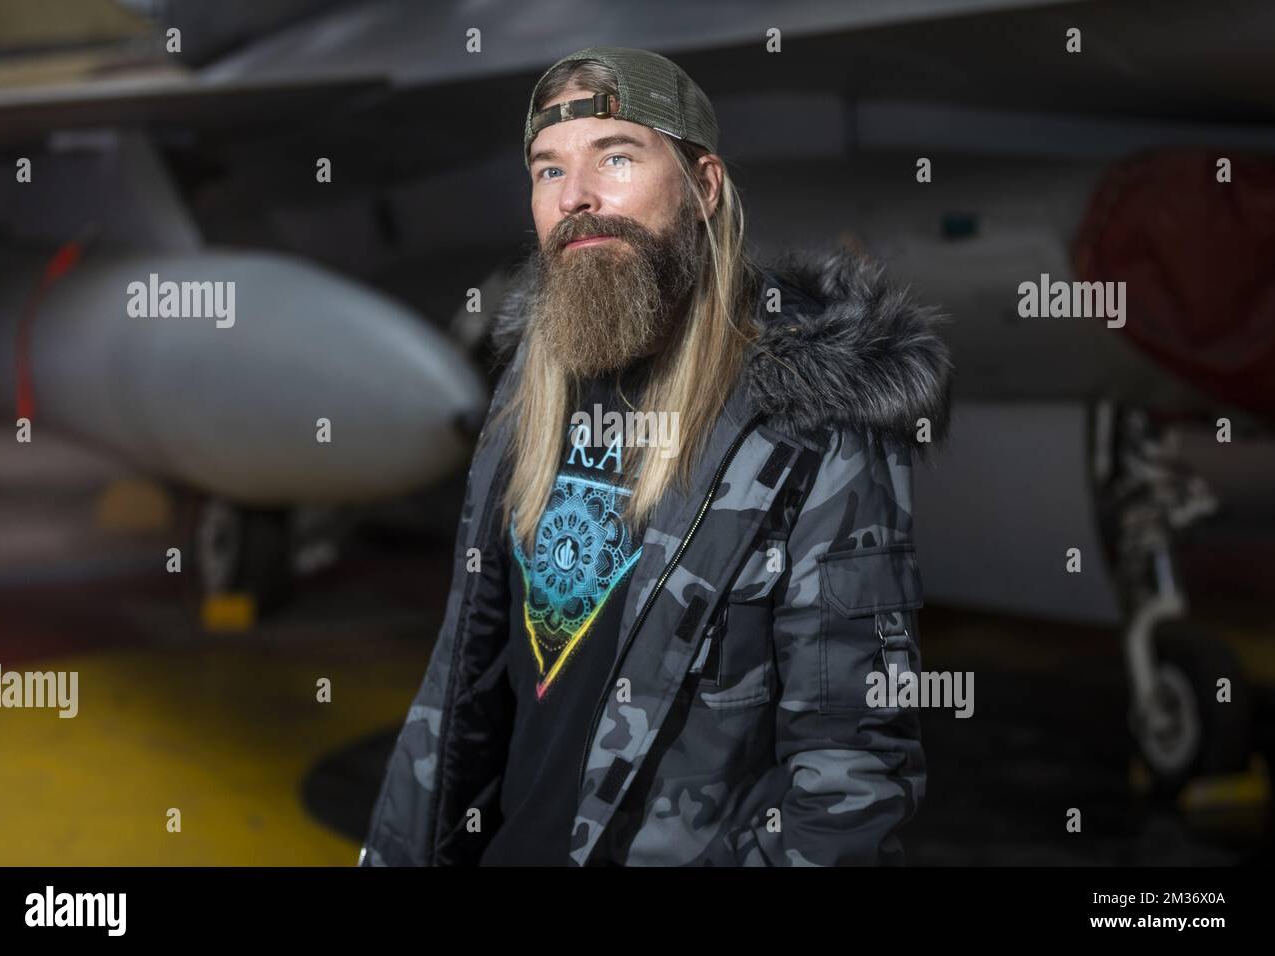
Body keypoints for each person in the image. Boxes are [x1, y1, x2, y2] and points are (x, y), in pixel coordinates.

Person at [360, 46, 952, 867]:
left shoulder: (807, 425)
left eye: (616, 157)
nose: (576, 198)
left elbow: (852, 775)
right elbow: (459, 690)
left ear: (705, 185)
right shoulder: (528, 395)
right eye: (547, 170)